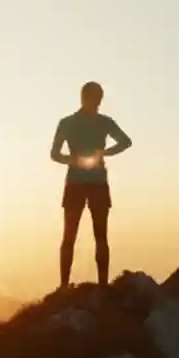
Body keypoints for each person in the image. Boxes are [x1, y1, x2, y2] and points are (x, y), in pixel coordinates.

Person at [50, 81, 132, 288]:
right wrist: (76, 159)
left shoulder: (75, 123)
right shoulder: (71, 123)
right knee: (73, 235)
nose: (96, 102)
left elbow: (126, 141)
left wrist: (102, 154)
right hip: (85, 182)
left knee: (96, 235)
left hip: (87, 182)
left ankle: (90, 285)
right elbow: (54, 154)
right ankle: (66, 285)